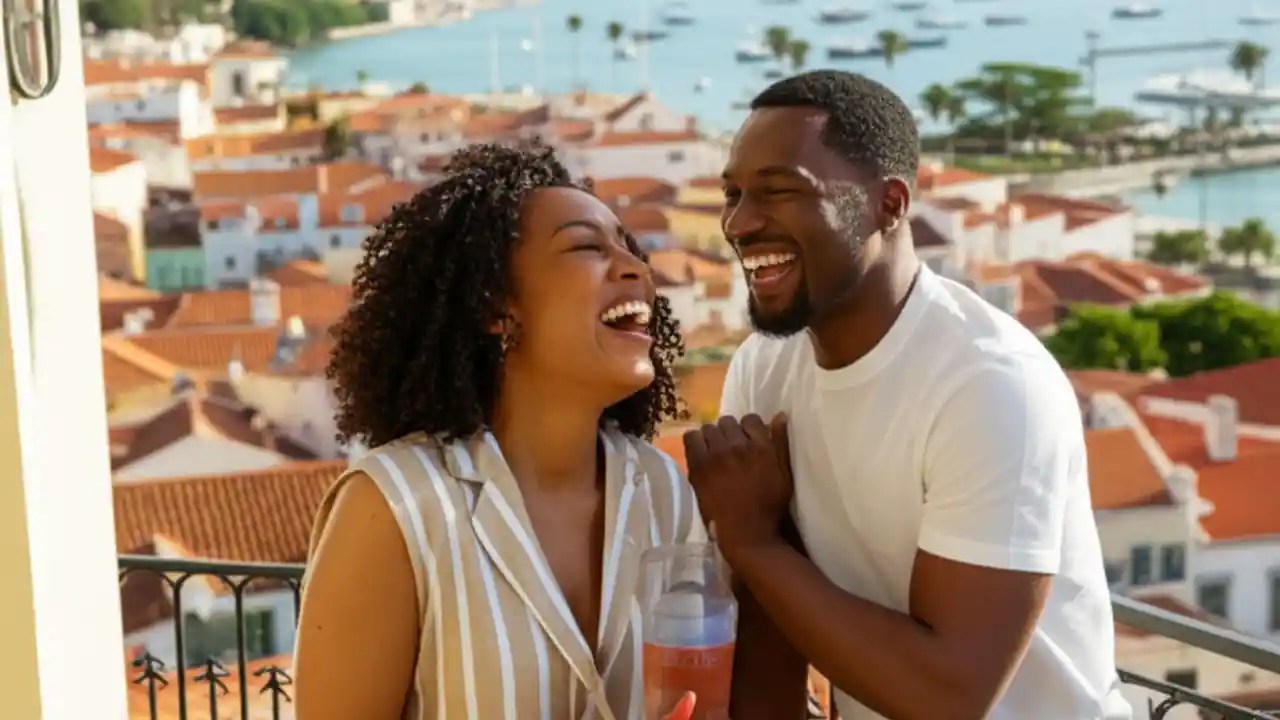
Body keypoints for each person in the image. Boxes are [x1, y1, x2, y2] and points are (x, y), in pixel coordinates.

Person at [682, 70, 1133, 720]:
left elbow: (948, 698)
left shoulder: (990, 385)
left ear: (889, 205)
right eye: (734, 194)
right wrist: (756, 552)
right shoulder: (765, 368)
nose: (740, 222)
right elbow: (768, 620)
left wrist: (754, 543)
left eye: (779, 192)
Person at [294, 142, 717, 719]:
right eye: (586, 246)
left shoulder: (664, 492)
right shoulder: (394, 509)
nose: (637, 269)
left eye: (630, 248)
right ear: (495, 308)